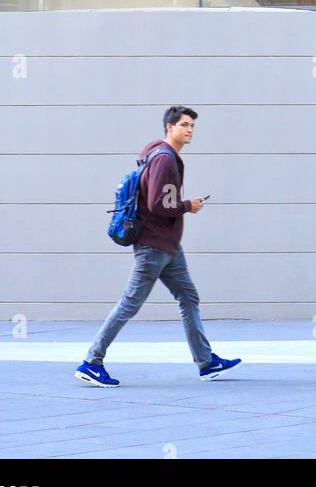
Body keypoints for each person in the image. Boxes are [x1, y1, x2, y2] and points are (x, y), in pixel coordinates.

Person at [75, 106, 241, 386]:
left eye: (192, 126)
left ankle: (206, 362)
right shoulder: (164, 160)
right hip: (154, 246)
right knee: (129, 304)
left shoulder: (159, 156)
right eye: (184, 125)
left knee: (189, 298)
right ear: (169, 128)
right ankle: (92, 361)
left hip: (169, 247)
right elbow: (156, 204)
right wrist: (189, 206)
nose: (189, 130)